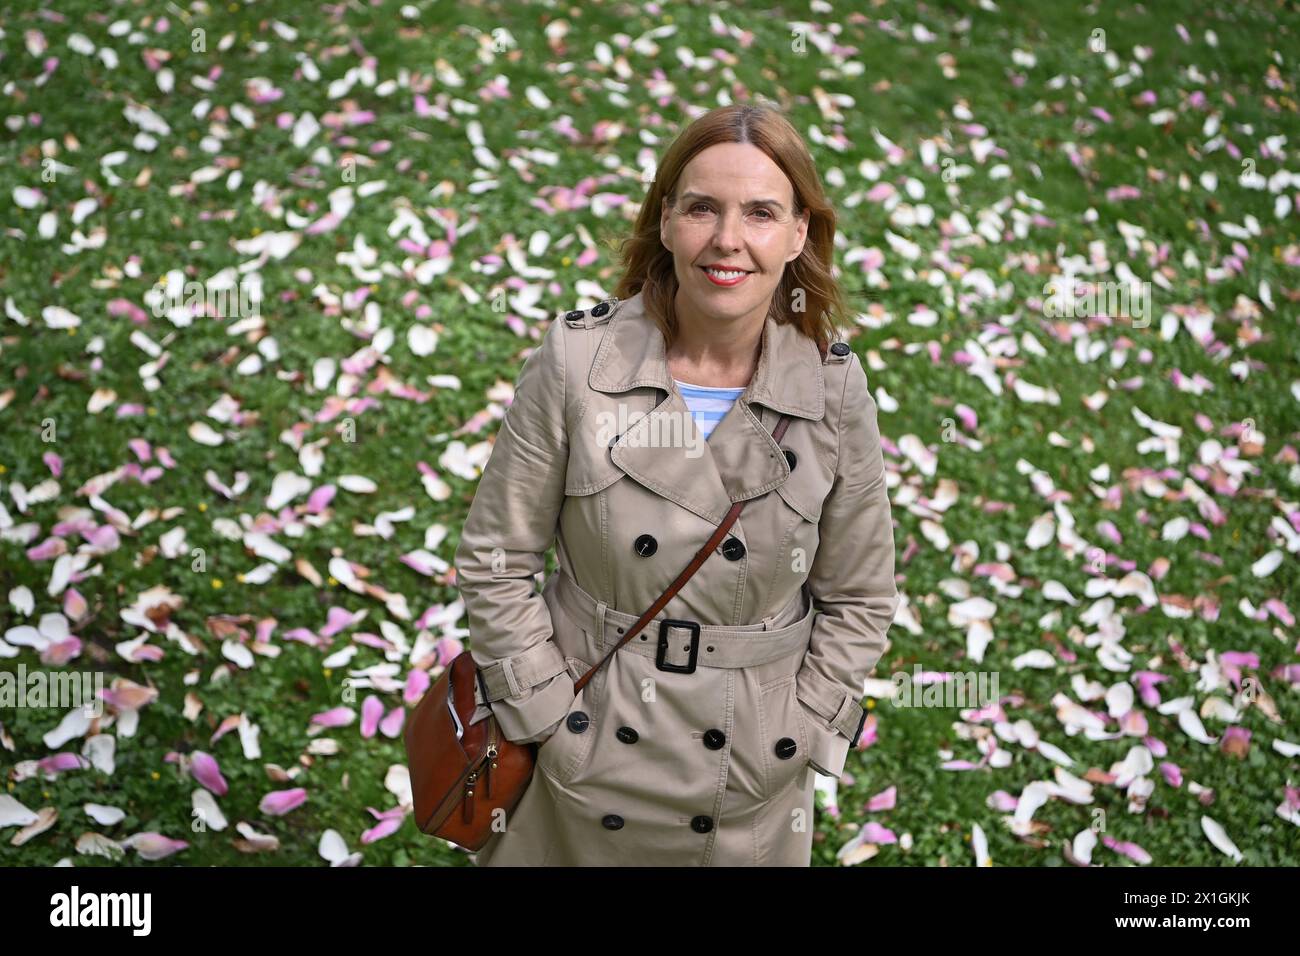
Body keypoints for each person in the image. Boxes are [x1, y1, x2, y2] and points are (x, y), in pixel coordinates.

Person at [453, 103, 900, 866]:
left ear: (799, 234)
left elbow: (859, 594)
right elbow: (496, 559)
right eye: (702, 208)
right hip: (581, 766)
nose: (728, 240)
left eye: (761, 212)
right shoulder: (577, 364)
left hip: (747, 785)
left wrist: (798, 729)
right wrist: (544, 714)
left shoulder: (831, 390)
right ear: (666, 221)